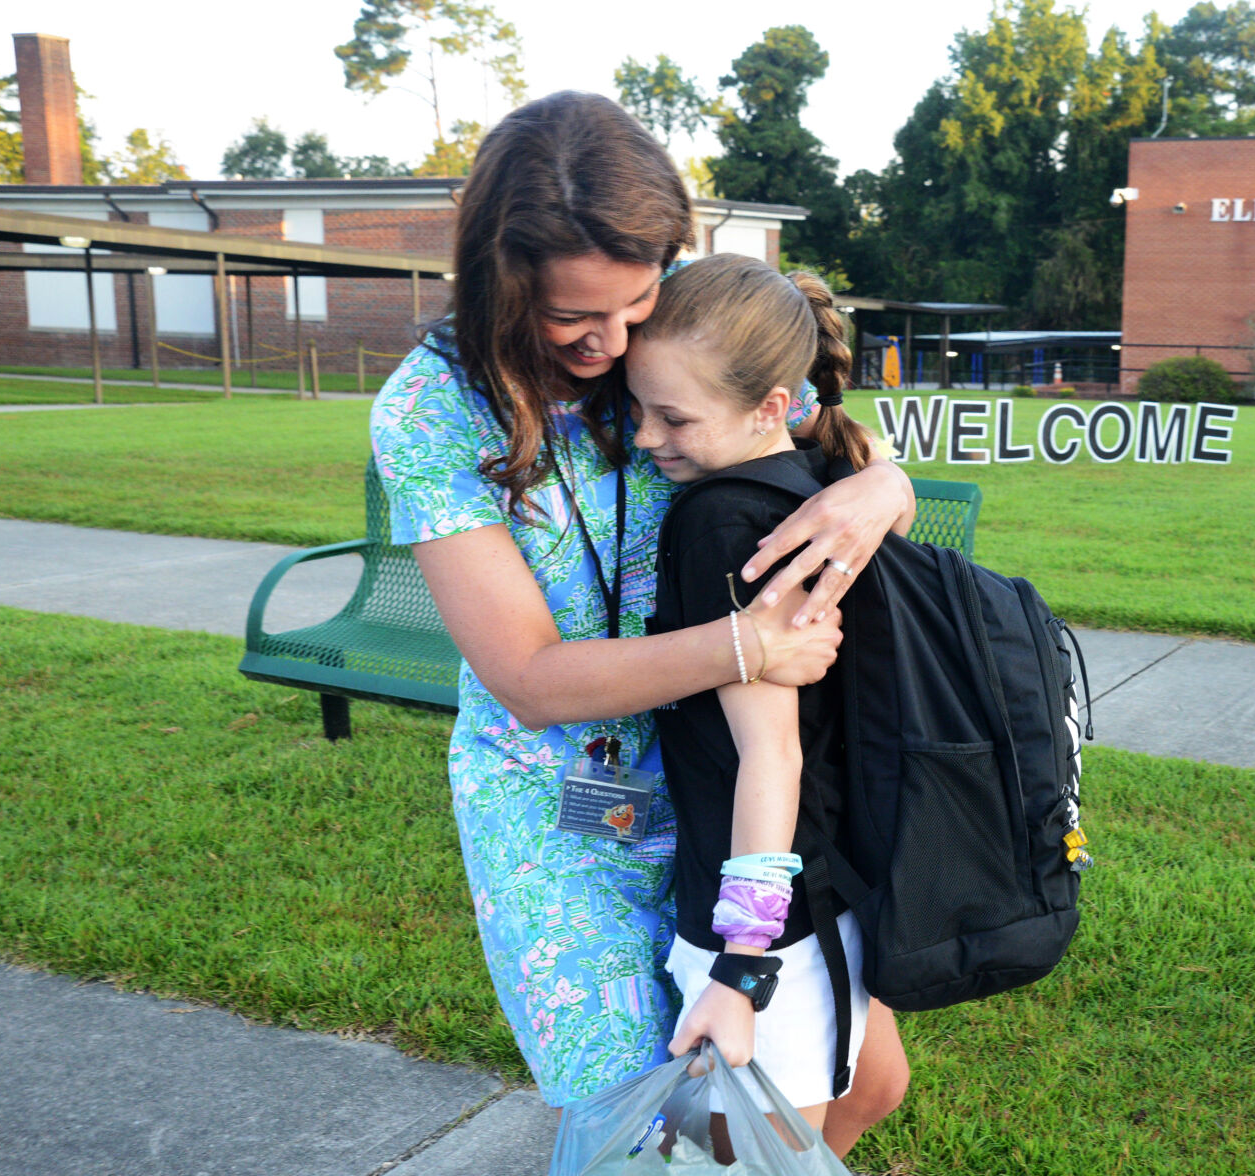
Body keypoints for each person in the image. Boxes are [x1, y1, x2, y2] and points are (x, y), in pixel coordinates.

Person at [367, 91, 912, 1149]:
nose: (611, 342)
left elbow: (812, 414)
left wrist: (884, 487)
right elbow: (526, 675)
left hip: (721, 781)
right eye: (572, 316)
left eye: (635, 301)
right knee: (643, 1118)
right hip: (555, 809)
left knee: (859, 1081)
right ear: (497, 280)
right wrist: (747, 645)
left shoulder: (667, 343)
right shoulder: (432, 411)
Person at [631, 252, 886, 1129]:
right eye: (638, 409)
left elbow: (769, 753)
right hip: (830, 884)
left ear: (770, 406)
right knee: (839, 1110)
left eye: (671, 416)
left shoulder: (722, 521)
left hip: (764, 920)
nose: (644, 437)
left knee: (754, 1145)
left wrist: (741, 965)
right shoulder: (818, 483)